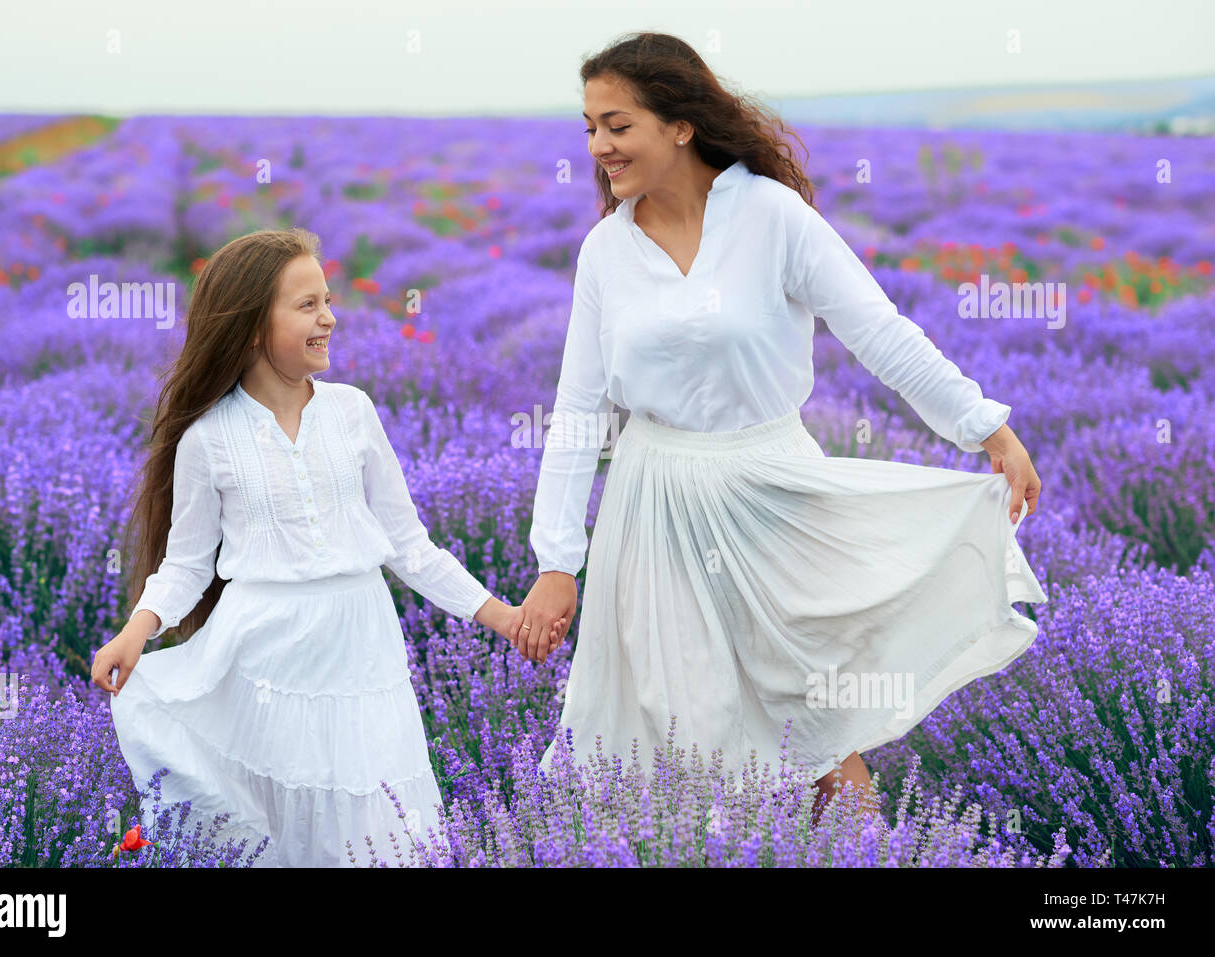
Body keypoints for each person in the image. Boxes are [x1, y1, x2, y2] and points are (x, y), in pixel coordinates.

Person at [517, 33, 1048, 825]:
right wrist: (557, 560)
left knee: (814, 723)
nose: (599, 146)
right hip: (653, 506)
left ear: (680, 125)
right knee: (682, 734)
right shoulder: (606, 251)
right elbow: (579, 409)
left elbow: (879, 331)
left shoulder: (772, 217)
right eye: (589, 128)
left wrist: (986, 428)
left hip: (772, 494)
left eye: (617, 125)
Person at [92, 227, 565, 866]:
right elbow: (186, 564)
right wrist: (136, 631)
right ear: (255, 327)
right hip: (264, 652)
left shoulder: (352, 412)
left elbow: (409, 546)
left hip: (359, 644)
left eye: (328, 300)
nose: (329, 318)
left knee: (373, 817)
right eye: (308, 305)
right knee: (283, 822)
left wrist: (502, 617)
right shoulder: (209, 438)